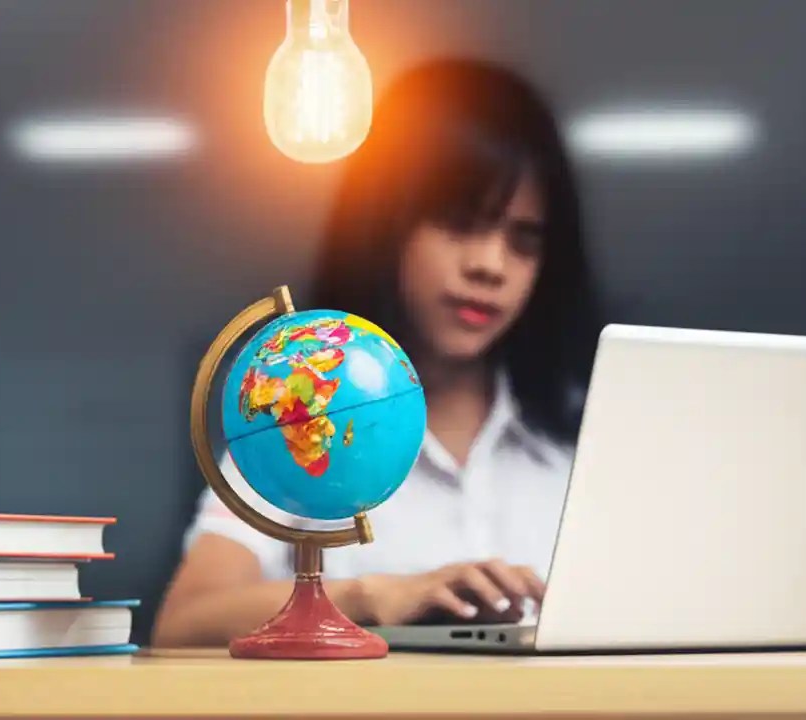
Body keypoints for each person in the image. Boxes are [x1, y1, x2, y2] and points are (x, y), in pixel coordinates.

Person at [153, 58, 602, 647]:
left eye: (524, 240)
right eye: (460, 224)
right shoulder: (303, 411)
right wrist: (376, 597)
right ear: (387, 226)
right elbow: (182, 624)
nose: (489, 265)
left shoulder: (591, 435)